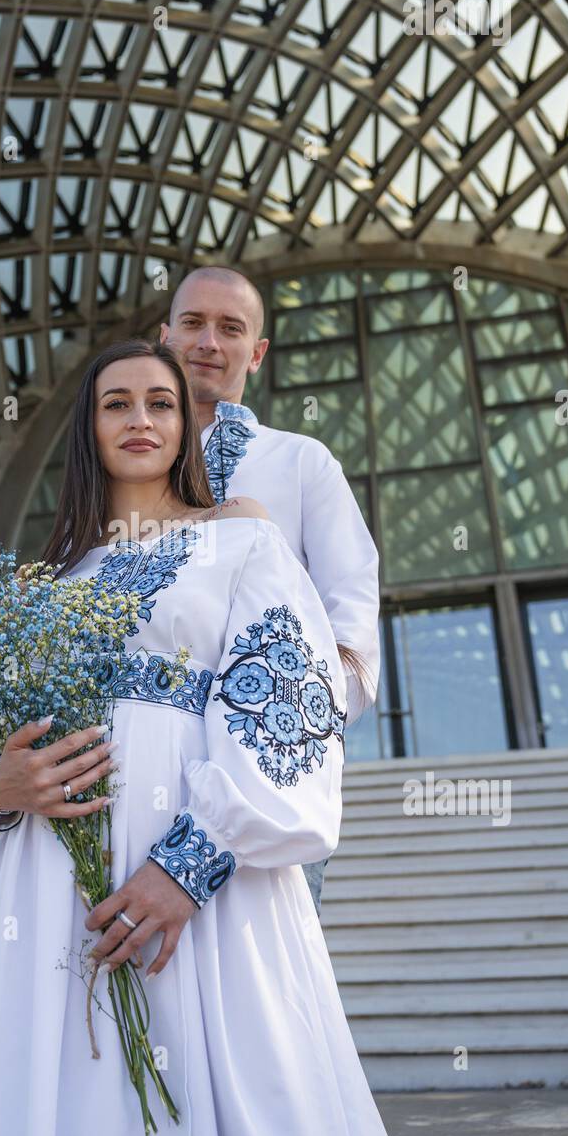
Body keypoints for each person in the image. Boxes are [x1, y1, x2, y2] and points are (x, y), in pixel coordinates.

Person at [0, 337, 407, 1136]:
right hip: (47, 884)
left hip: (205, 888)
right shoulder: (47, 583)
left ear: (187, 425)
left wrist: (187, 869)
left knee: (247, 1096)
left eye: (161, 402)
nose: (140, 418)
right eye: (116, 403)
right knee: (66, 1097)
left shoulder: (242, 539)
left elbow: (288, 713)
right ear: (89, 428)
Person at [160, 266, 381, 915]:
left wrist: (295, 724)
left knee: (272, 981)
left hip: (272, 764)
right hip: (151, 762)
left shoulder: (299, 460)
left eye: (230, 329)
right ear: (165, 335)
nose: (208, 341)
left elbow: (353, 605)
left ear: (255, 353)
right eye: (194, 323)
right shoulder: (121, 471)